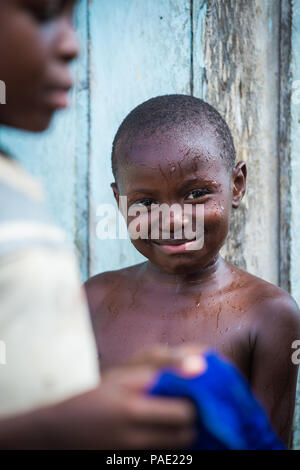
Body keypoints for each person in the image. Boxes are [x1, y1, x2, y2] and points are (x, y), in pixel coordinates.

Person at [0, 1, 197, 449]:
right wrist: (58, 429)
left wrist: (106, 398)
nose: (73, 44)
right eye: (44, 14)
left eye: (72, 18)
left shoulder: (16, 183)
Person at [85, 94, 300, 446]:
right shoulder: (93, 299)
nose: (172, 220)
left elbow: (265, 442)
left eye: (197, 193)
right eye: (146, 202)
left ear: (237, 185)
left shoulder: (269, 314)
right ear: (120, 200)